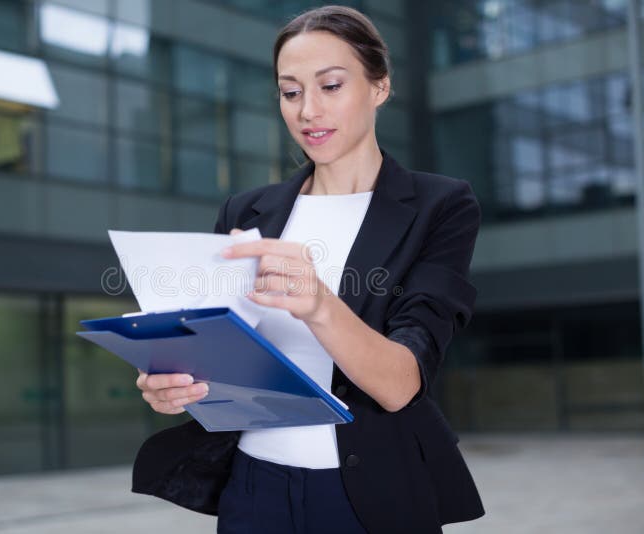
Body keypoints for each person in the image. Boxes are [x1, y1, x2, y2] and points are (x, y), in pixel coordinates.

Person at [133, 5, 484, 533]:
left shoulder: (442, 206)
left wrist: (319, 304)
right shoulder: (245, 213)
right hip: (254, 488)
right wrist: (176, 384)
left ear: (379, 87)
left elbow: (401, 382)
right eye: (291, 92)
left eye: (332, 85)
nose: (308, 111)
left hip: (367, 496)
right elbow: (215, 351)